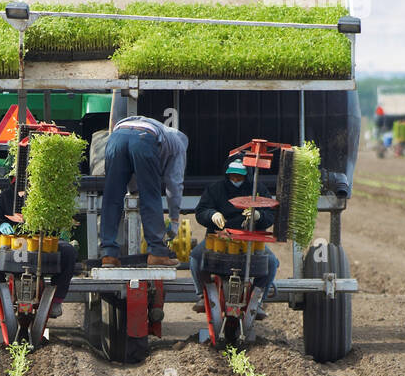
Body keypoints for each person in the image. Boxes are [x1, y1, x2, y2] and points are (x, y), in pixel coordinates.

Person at [190, 157, 278, 320]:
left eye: (239, 176)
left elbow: (271, 215)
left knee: (272, 263)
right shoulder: (215, 189)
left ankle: (257, 301)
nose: (235, 180)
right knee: (196, 256)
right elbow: (201, 211)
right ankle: (202, 295)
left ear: (248, 175)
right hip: (219, 239)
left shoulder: (258, 190)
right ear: (227, 174)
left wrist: (258, 216)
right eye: (232, 176)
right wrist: (212, 215)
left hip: (250, 241)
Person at [0, 178, 76, 318]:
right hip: (13, 242)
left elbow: (61, 220)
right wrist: (0, 225)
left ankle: (56, 301)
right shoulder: (6, 197)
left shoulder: (49, 196)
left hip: (42, 242)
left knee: (68, 252)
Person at [99, 115, 188, 266]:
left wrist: (134, 189)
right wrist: (174, 219)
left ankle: (108, 255)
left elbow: (132, 169)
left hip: (116, 136)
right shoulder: (179, 145)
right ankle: (157, 253)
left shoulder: (165, 133)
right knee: (150, 196)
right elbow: (174, 184)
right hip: (144, 137)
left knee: (111, 196)